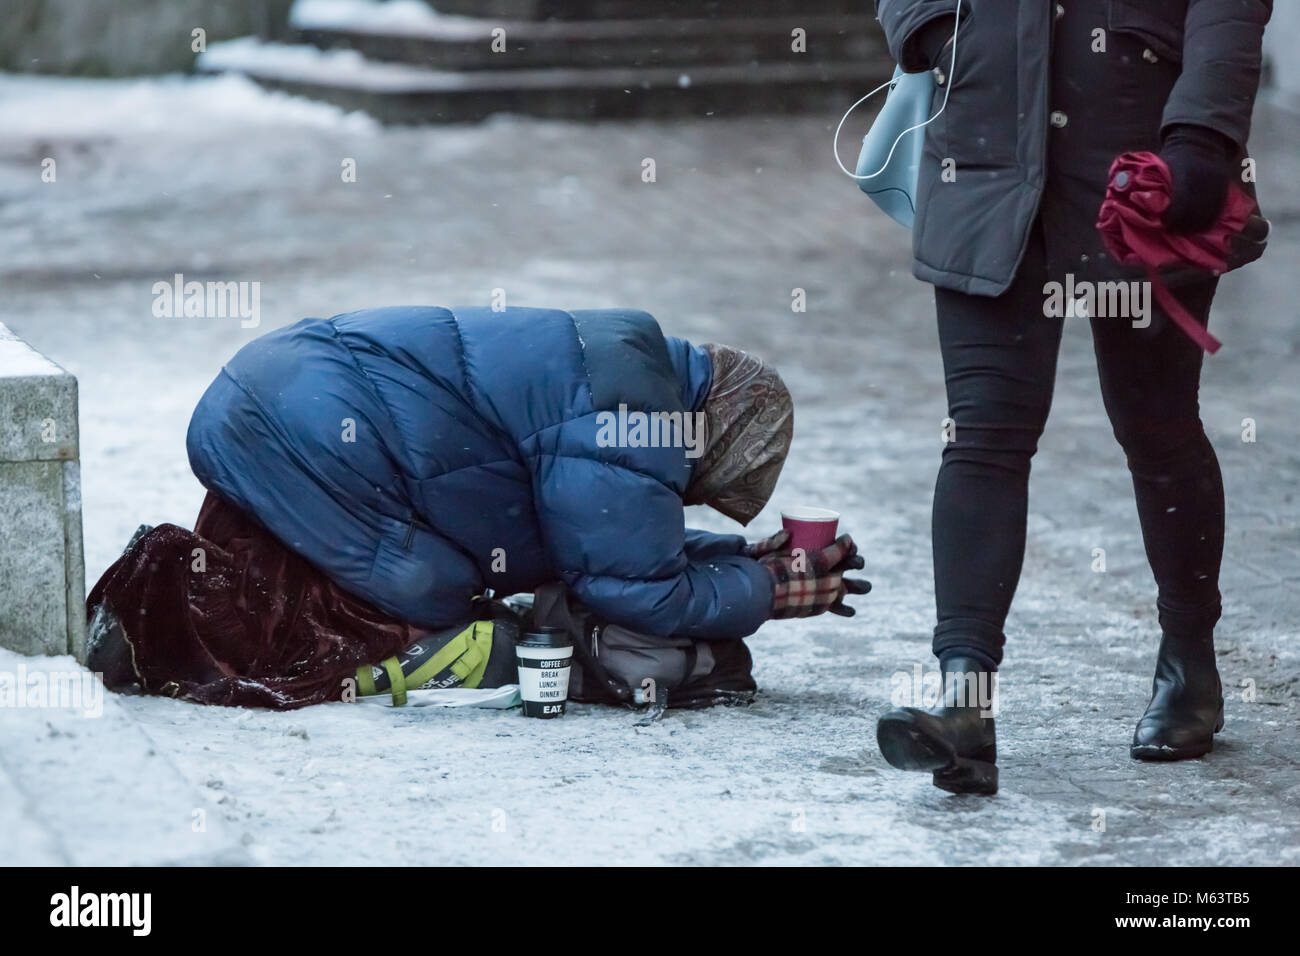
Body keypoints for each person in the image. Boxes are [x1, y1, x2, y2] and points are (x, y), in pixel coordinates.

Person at [872, 0, 1272, 793]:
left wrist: (1202, 136)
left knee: (1156, 427)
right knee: (981, 434)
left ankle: (1189, 663)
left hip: (1143, 168)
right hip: (984, 156)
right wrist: (931, 25)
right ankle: (964, 699)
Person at [86, 306, 869, 709]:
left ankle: (169, 596)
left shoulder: (631, 376)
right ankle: (157, 617)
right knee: (431, 601)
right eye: (707, 481)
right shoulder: (631, 420)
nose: (689, 494)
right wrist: (771, 592)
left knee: (328, 578)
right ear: (717, 434)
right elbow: (631, 586)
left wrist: (742, 563)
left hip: (271, 398)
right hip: (307, 428)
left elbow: (614, 547)